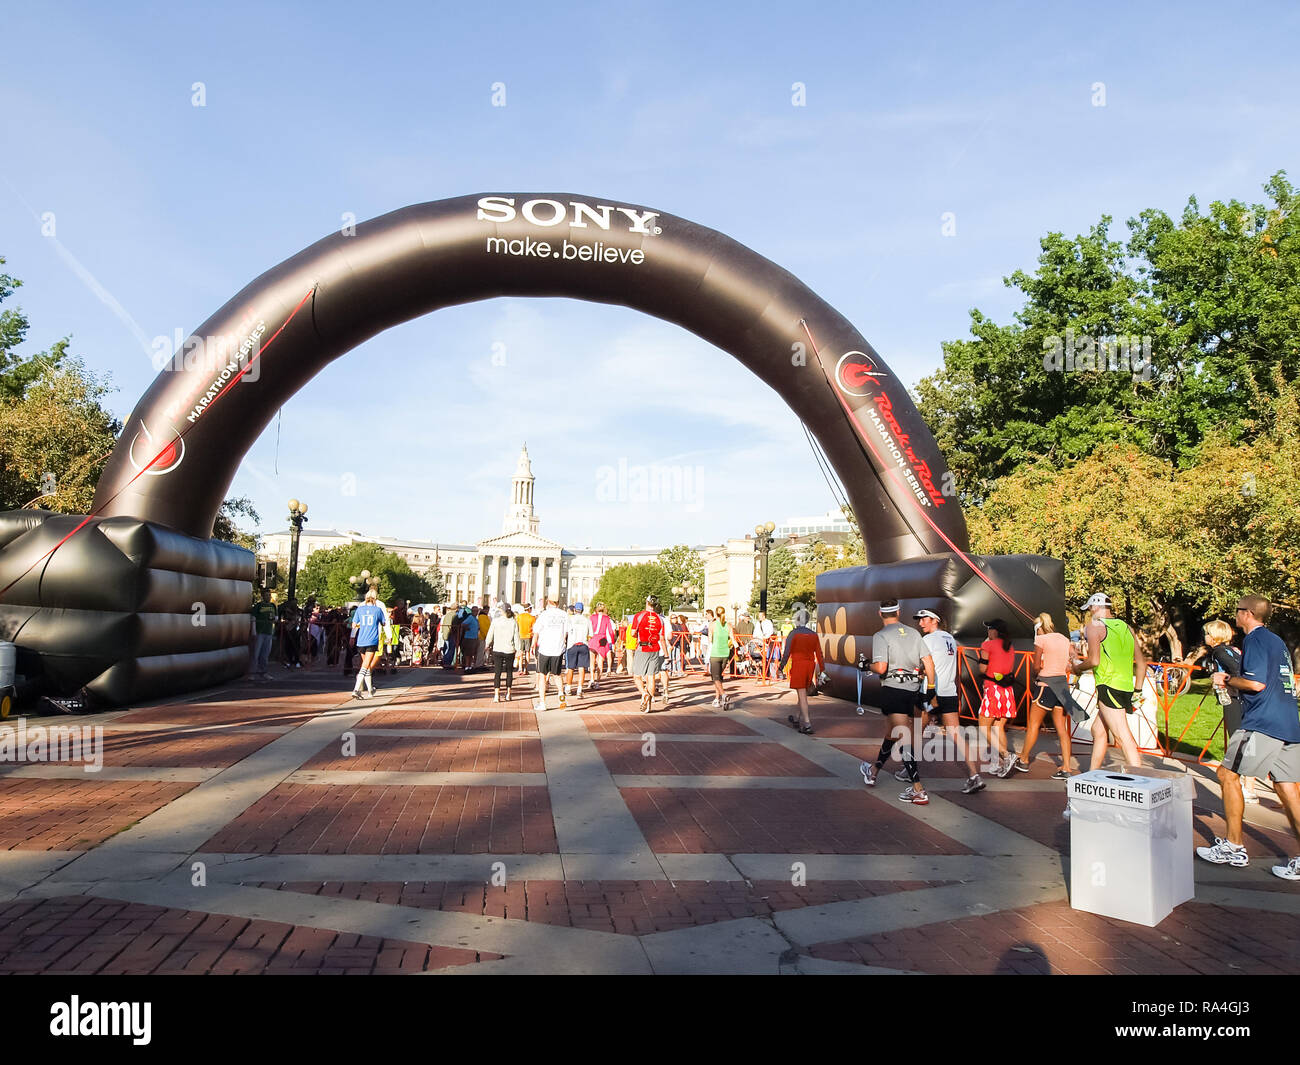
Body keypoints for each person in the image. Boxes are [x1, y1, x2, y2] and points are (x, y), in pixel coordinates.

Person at [1196, 595, 1300, 881]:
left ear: (1249, 614)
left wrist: (1225, 680)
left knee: (1227, 775)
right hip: (1289, 723)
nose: (1235, 615)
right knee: (1288, 789)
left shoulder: (1253, 640)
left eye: (1238, 611)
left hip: (1262, 723)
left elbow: (1255, 682)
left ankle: (1233, 846)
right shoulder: (1277, 642)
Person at [859, 600, 936, 804]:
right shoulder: (913, 633)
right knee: (891, 733)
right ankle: (873, 771)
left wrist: (867, 665)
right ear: (898, 612)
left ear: (880, 614)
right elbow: (928, 662)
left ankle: (918, 789)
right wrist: (930, 689)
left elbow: (882, 667)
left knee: (902, 736)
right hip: (913, 689)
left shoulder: (881, 636)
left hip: (893, 689)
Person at [1070, 593, 1146, 772]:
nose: (1089, 612)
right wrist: (1138, 691)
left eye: (1089, 609)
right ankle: (1092, 773)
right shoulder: (1126, 627)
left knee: (1122, 735)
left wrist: (1076, 667)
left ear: (1096, 607)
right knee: (1098, 730)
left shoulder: (1095, 626)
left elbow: (1094, 660)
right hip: (1126, 685)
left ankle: (1141, 779)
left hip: (1108, 685)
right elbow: (1141, 663)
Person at [1185, 620, 1257, 802]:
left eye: (1207, 634)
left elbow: (1235, 671)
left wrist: (1222, 678)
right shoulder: (1235, 650)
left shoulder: (1218, 651)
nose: (1205, 637)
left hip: (1233, 699)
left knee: (1238, 740)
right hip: (1245, 700)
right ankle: (1249, 786)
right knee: (1247, 740)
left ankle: (1243, 786)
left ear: (1215, 635)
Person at [914, 609, 985, 793]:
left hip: (932, 692)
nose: (920, 623)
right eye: (919, 620)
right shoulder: (949, 638)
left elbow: (922, 664)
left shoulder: (928, 640)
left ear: (934, 621)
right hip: (949, 691)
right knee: (956, 735)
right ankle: (974, 775)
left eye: (924, 620)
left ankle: (909, 770)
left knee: (917, 731)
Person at [1013, 612, 1084, 779]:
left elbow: (1037, 666)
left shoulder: (1041, 639)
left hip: (1045, 685)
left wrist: (1036, 676)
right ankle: (1066, 767)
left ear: (1039, 628)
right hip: (1062, 686)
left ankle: (1023, 759)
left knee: (1033, 724)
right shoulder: (1063, 638)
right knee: (1062, 729)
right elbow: (1072, 660)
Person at [977, 619, 1021, 778]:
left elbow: (982, 667)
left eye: (989, 628)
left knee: (983, 727)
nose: (988, 631)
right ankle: (998, 764)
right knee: (998, 727)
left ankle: (1006, 755)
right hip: (1007, 690)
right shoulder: (1010, 646)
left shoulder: (988, 645)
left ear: (994, 630)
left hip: (992, 689)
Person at [780, 606, 823, 733]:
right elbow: (819, 653)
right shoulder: (813, 634)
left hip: (799, 664)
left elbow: (787, 652)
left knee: (802, 695)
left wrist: (781, 667)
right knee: (802, 692)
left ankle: (807, 723)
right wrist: (823, 669)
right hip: (810, 664)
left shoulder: (793, 634)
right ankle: (797, 717)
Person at [631, 595, 669, 713]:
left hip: (643, 647)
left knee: (637, 676)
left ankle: (644, 694)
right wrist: (666, 654)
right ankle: (649, 705)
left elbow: (633, 633)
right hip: (655, 648)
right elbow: (662, 637)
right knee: (651, 676)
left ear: (646, 602)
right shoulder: (660, 619)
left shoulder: (639, 616)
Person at [349, 589, 388, 699]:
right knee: (365, 666)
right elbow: (384, 622)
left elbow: (354, 624)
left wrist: (354, 633)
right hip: (372, 639)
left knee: (366, 665)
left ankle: (370, 690)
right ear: (375, 598)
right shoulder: (377, 610)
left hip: (361, 640)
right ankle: (356, 689)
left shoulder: (360, 609)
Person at [532, 596, 569, 711]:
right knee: (557, 675)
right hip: (557, 649)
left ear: (548, 602)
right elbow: (567, 632)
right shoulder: (564, 615)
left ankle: (543, 703)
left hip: (545, 648)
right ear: (558, 602)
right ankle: (561, 696)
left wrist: (533, 644)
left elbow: (536, 631)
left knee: (542, 675)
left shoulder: (544, 614)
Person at [707, 606, 738, 709]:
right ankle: (717, 699)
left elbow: (710, 640)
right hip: (725, 653)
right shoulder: (728, 625)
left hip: (715, 653)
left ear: (716, 614)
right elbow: (733, 639)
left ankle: (724, 695)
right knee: (719, 677)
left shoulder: (712, 625)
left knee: (715, 678)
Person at [489, 603, 521, 702]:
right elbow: (516, 637)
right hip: (509, 649)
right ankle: (508, 693)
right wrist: (519, 649)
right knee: (509, 672)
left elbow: (490, 634)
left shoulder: (495, 621)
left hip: (497, 648)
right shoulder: (513, 622)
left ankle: (496, 695)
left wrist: (487, 644)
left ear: (502, 611)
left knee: (497, 672)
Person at [564, 602, 592, 700]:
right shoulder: (587, 620)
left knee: (571, 668)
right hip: (583, 644)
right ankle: (579, 689)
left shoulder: (570, 619)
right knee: (581, 668)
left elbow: (566, 632)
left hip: (572, 645)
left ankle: (568, 687)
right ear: (582, 610)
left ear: (575, 609)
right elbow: (590, 634)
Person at [249, 588, 277, 681]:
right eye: (267, 595)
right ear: (263, 596)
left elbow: (275, 618)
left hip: (268, 631)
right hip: (260, 631)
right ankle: (252, 673)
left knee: (265, 653)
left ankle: (263, 671)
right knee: (256, 653)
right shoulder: (258, 606)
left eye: (269, 595)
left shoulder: (273, 606)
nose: (268, 597)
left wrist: (274, 618)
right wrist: (253, 630)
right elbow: (253, 617)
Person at [588, 602, 615, 689]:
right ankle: (597, 682)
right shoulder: (607, 618)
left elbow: (589, 629)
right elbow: (610, 631)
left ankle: (592, 679)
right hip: (602, 639)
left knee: (592, 660)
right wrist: (613, 642)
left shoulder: (592, 617)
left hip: (593, 638)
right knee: (600, 661)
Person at [460, 606, 481, 673]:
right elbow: (463, 624)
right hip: (469, 638)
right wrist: (466, 628)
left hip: (474, 638)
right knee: (468, 654)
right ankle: (467, 667)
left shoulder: (475, 619)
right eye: (474, 611)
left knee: (472, 653)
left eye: (476, 611)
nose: (475, 612)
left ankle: (469, 666)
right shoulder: (470, 618)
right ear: (472, 611)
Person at [516, 603, 535, 676]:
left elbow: (517, 626)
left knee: (520, 652)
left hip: (520, 636)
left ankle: (520, 668)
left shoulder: (519, 617)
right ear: (529, 609)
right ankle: (525, 668)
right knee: (527, 652)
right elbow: (534, 628)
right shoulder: (532, 618)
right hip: (528, 636)